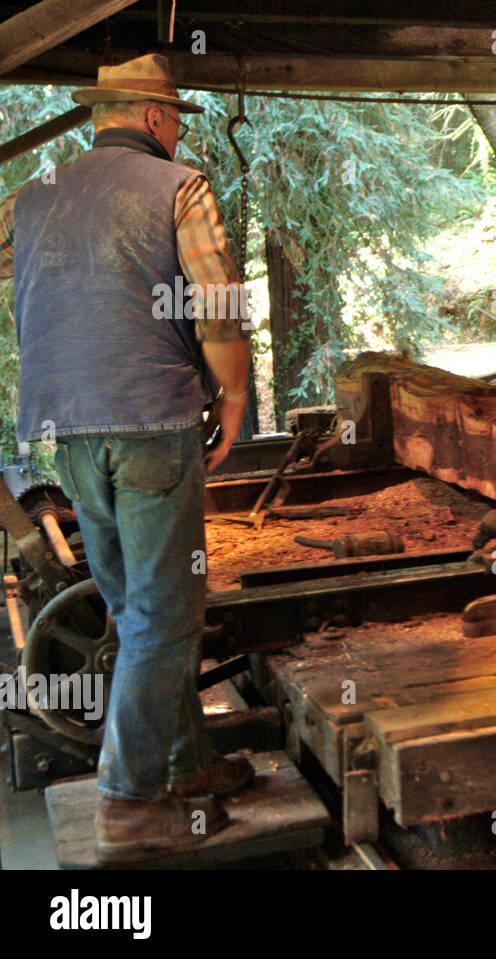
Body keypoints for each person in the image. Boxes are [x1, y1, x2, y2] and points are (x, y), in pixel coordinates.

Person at [0, 54, 255, 863]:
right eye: (174, 116)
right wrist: (238, 399)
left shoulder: (31, 198)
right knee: (166, 609)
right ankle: (130, 796)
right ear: (152, 118)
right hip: (151, 419)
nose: (177, 130)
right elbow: (216, 310)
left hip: (66, 428)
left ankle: (185, 764)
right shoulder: (179, 187)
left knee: (132, 604)